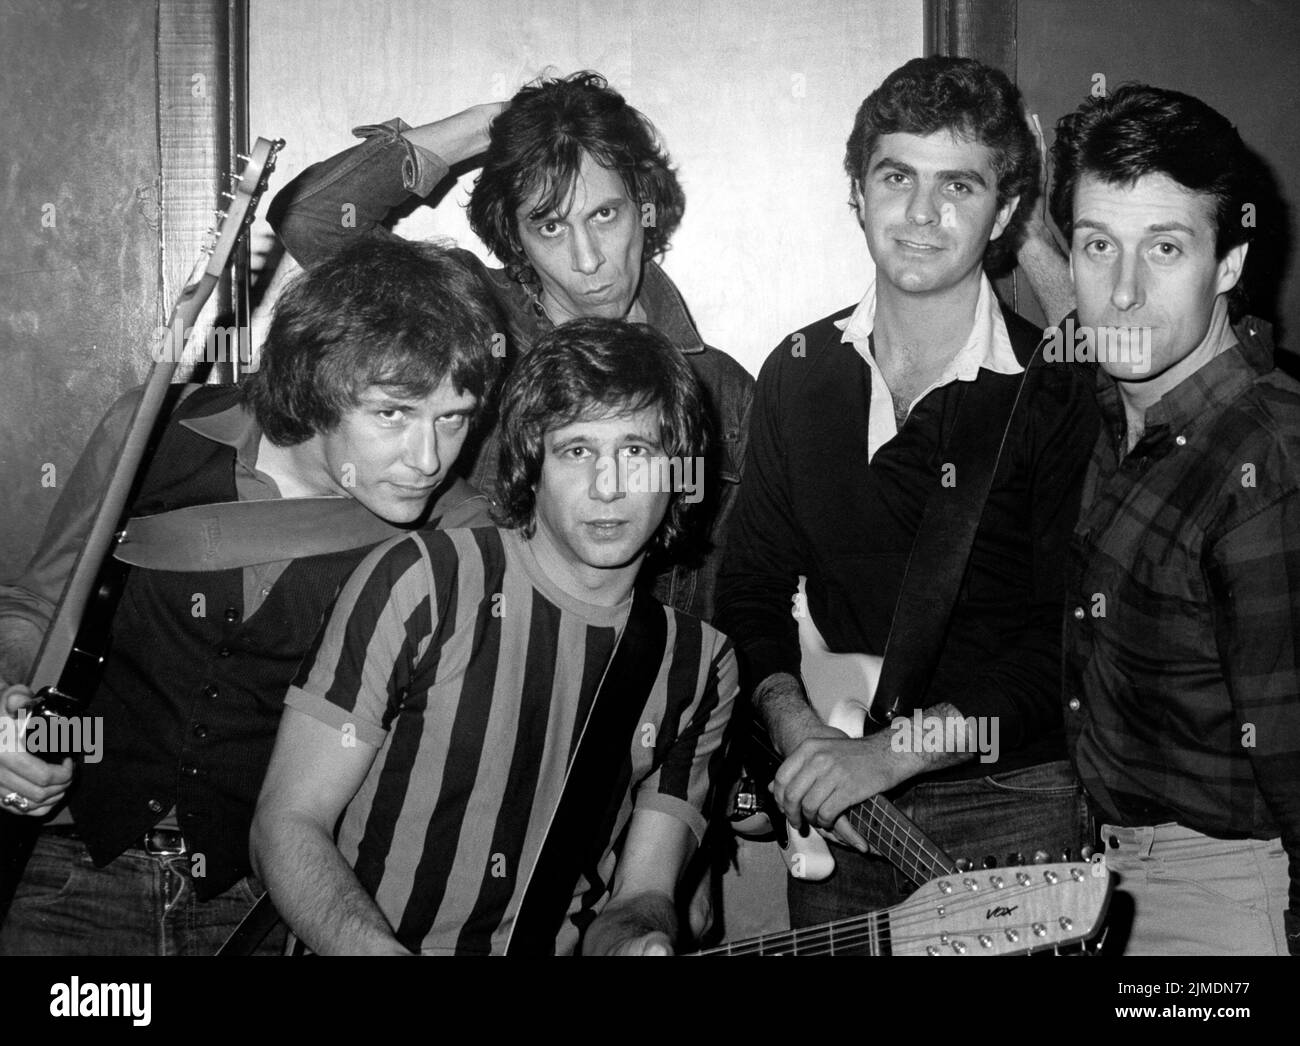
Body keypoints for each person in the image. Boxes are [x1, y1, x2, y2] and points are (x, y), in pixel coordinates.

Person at [0, 239, 502, 955]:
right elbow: (35, 608)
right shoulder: (154, 432)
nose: (428, 459)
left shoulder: (456, 533)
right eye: (394, 414)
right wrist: (8, 709)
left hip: (262, 908)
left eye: (453, 418)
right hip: (73, 870)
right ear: (315, 382)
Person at [714, 56, 1099, 931]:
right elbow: (749, 589)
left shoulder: (1054, 389)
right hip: (839, 809)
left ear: (1003, 214)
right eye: (897, 177)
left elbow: (1065, 644)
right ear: (857, 191)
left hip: (1009, 806)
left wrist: (893, 753)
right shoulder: (799, 371)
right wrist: (800, 732)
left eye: (958, 186)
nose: (922, 215)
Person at [251, 318, 737, 955]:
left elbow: (642, 891)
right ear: (533, 464)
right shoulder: (427, 580)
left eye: (638, 452)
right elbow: (285, 825)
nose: (610, 486)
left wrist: (638, 942)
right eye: (578, 451)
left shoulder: (700, 664)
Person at [268, 70, 753, 622]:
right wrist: (485, 127)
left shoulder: (723, 391)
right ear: (513, 234)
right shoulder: (467, 318)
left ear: (645, 204)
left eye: (604, 214)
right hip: (464, 667)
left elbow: (730, 596)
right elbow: (310, 220)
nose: (588, 259)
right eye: (549, 226)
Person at [1050, 83, 1300, 956]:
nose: (1120, 293)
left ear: (1229, 262)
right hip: (1109, 883)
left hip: (1234, 899)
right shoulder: (1116, 422)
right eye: (1096, 246)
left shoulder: (1270, 465)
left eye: (1164, 247)